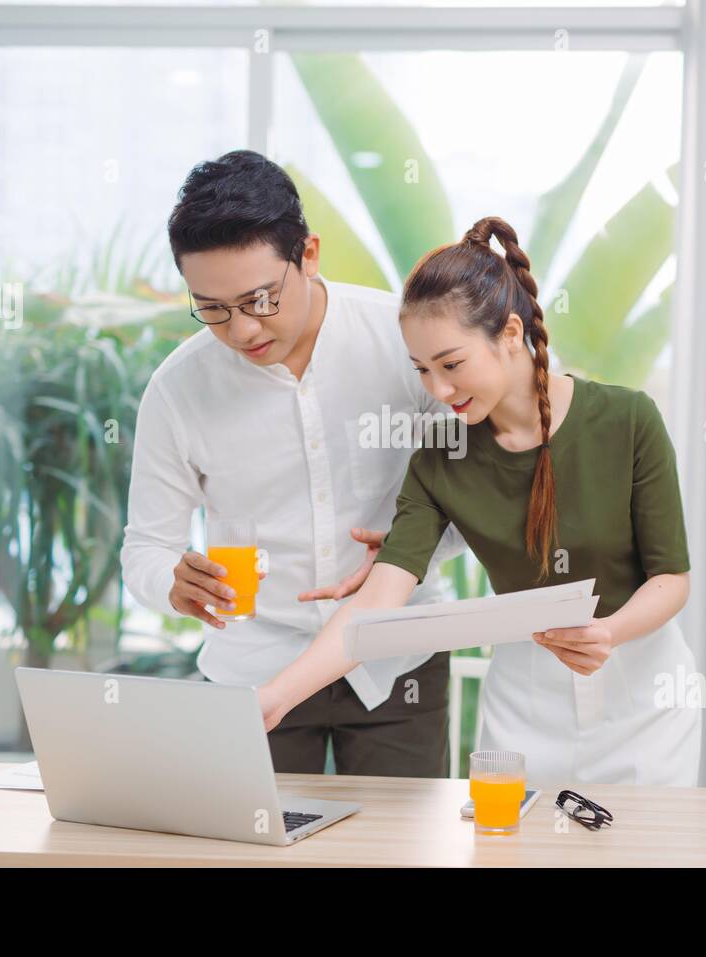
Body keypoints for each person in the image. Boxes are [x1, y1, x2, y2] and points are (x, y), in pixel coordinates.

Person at [260, 215, 701, 787]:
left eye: (451, 364)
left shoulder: (628, 419)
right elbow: (377, 602)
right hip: (525, 703)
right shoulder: (440, 457)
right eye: (422, 370)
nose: (438, 391)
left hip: (644, 696)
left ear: (511, 334)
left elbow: (672, 579)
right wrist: (274, 697)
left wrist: (608, 633)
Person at [121, 150, 465, 777]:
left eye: (260, 298)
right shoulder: (179, 390)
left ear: (308, 254)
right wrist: (172, 583)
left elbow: (479, 498)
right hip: (252, 673)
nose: (242, 329)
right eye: (213, 308)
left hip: (396, 661)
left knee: (399, 853)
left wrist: (412, 550)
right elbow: (145, 547)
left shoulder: (404, 339)